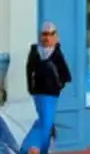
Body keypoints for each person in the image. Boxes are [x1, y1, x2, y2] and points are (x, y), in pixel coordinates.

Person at [20, 22, 71, 154]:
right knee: (43, 121)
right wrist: (30, 87)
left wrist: (57, 86)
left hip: (51, 94)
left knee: (45, 122)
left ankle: (35, 148)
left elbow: (66, 75)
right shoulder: (35, 52)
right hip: (37, 93)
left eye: (51, 34)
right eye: (44, 34)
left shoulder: (57, 54)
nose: (47, 38)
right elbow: (29, 70)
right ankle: (31, 148)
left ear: (56, 36)